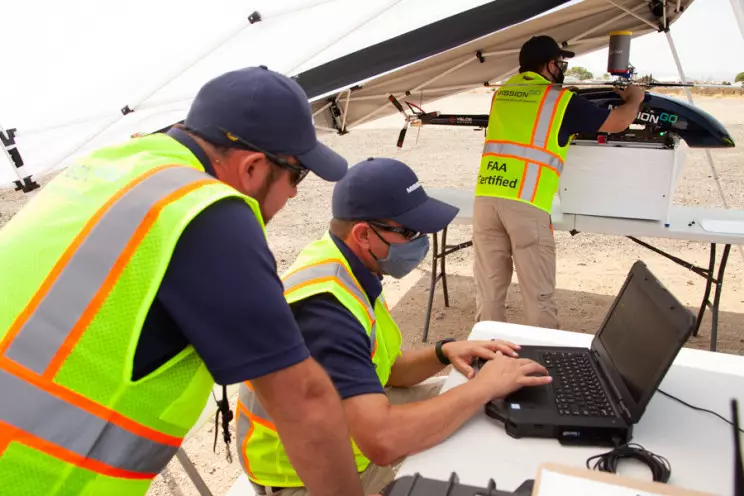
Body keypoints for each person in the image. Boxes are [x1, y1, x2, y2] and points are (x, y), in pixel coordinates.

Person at [0, 66, 366, 496]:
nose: (295, 194)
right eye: (296, 174)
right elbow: (303, 400)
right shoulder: (206, 211)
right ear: (251, 167)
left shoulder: (117, 163)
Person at [236, 157, 553, 495]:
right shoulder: (325, 310)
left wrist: (443, 352)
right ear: (363, 235)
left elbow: (389, 372)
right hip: (305, 480)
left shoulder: (350, 266)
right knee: (480, 434)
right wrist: (483, 387)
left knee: (492, 409)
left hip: (353, 432)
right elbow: (382, 442)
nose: (422, 242)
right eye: (409, 232)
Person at [472, 35, 646, 329]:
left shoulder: (501, 94)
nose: (562, 68)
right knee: (537, 296)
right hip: (527, 203)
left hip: (486, 199)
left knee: (489, 293)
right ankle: (544, 364)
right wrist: (635, 98)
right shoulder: (560, 101)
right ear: (550, 65)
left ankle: (486, 359)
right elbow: (617, 122)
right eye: (561, 63)